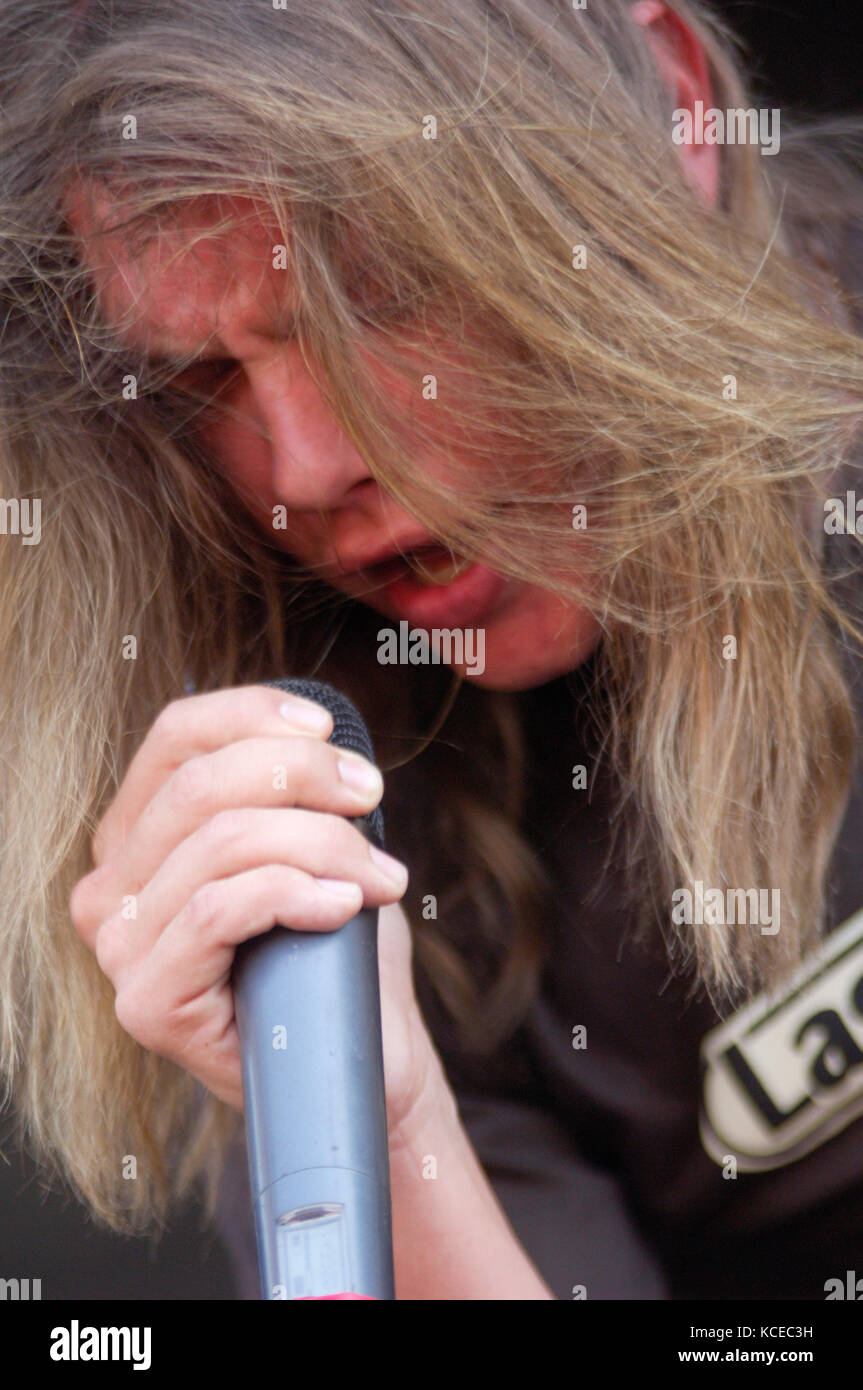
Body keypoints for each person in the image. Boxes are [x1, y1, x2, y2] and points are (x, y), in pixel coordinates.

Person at [2, 0, 862, 1300]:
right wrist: (388, 1125)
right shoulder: (336, 853)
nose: (306, 463)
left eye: (377, 292)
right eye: (200, 379)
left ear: (677, 106)